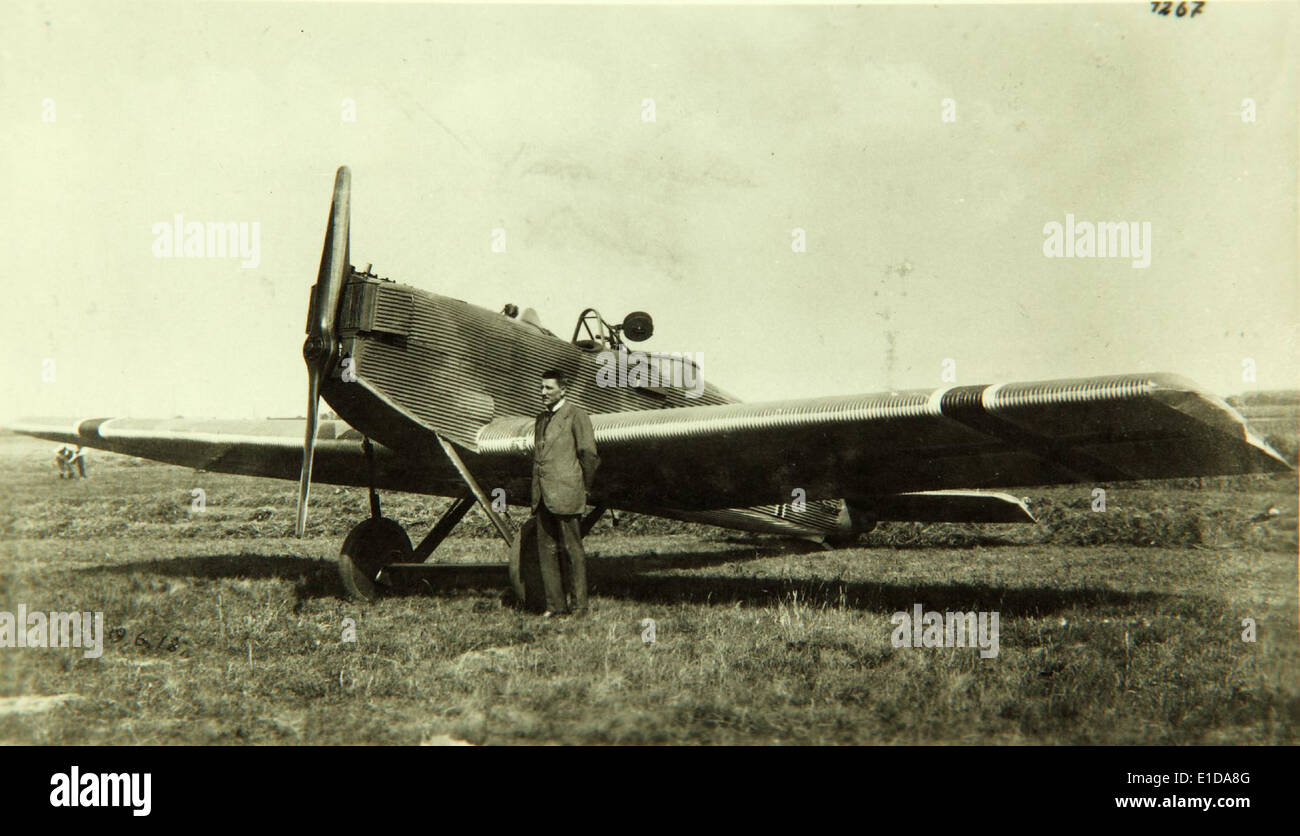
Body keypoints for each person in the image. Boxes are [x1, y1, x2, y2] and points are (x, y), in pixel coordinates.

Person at [531, 369, 599, 617]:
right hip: (543, 495)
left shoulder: (576, 415)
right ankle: (556, 606)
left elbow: (589, 454)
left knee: (573, 550)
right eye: (541, 387)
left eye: (548, 388)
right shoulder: (540, 419)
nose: (543, 393)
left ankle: (580, 607)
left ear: (563, 390)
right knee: (547, 552)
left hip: (567, 492)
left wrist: (585, 487)